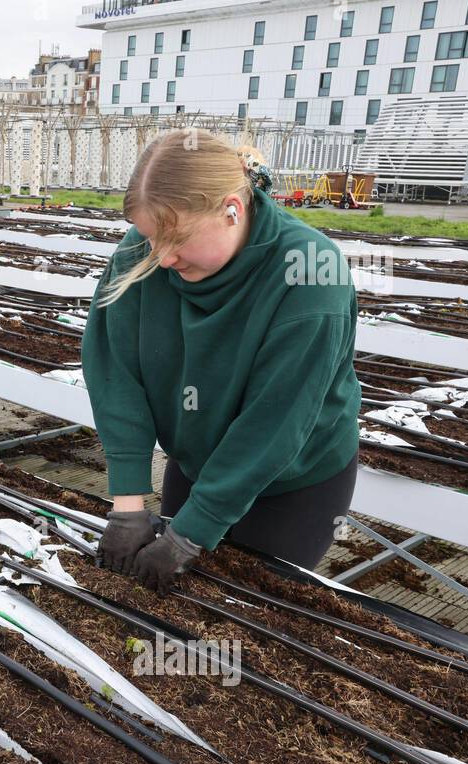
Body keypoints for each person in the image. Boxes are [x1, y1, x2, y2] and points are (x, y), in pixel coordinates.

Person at [83, 129, 360, 595]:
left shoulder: (309, 271)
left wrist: (191, 532)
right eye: (152, 238)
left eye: (178, 239)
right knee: (169, 599)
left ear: (232, 209)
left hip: (294, 479)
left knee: (250, 607)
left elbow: (276, 421)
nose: (162, 257)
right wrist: (127, 505)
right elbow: (116, 373)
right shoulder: (144, 250)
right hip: (197, 459)